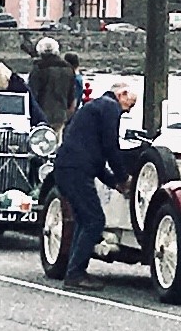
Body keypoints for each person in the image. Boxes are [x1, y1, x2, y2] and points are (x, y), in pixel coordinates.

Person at [53, 82, 138, 291]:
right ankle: (75, 274)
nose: (128, 110)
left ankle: (73, 270)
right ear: (122, 94)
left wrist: (115, 184)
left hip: (67, 167)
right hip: (76, 170)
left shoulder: (93, 107)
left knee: (83, 219)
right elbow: (111, 147)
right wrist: (123, 176)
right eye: (130, 104)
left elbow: (96, 158)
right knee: (94, 220)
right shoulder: (110, 107)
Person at [28, 37, 78, 131]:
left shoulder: (38, 68)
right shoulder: (68, 69)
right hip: (61, 113)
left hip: (41, 114)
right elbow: (71, 95)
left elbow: (32, 93)